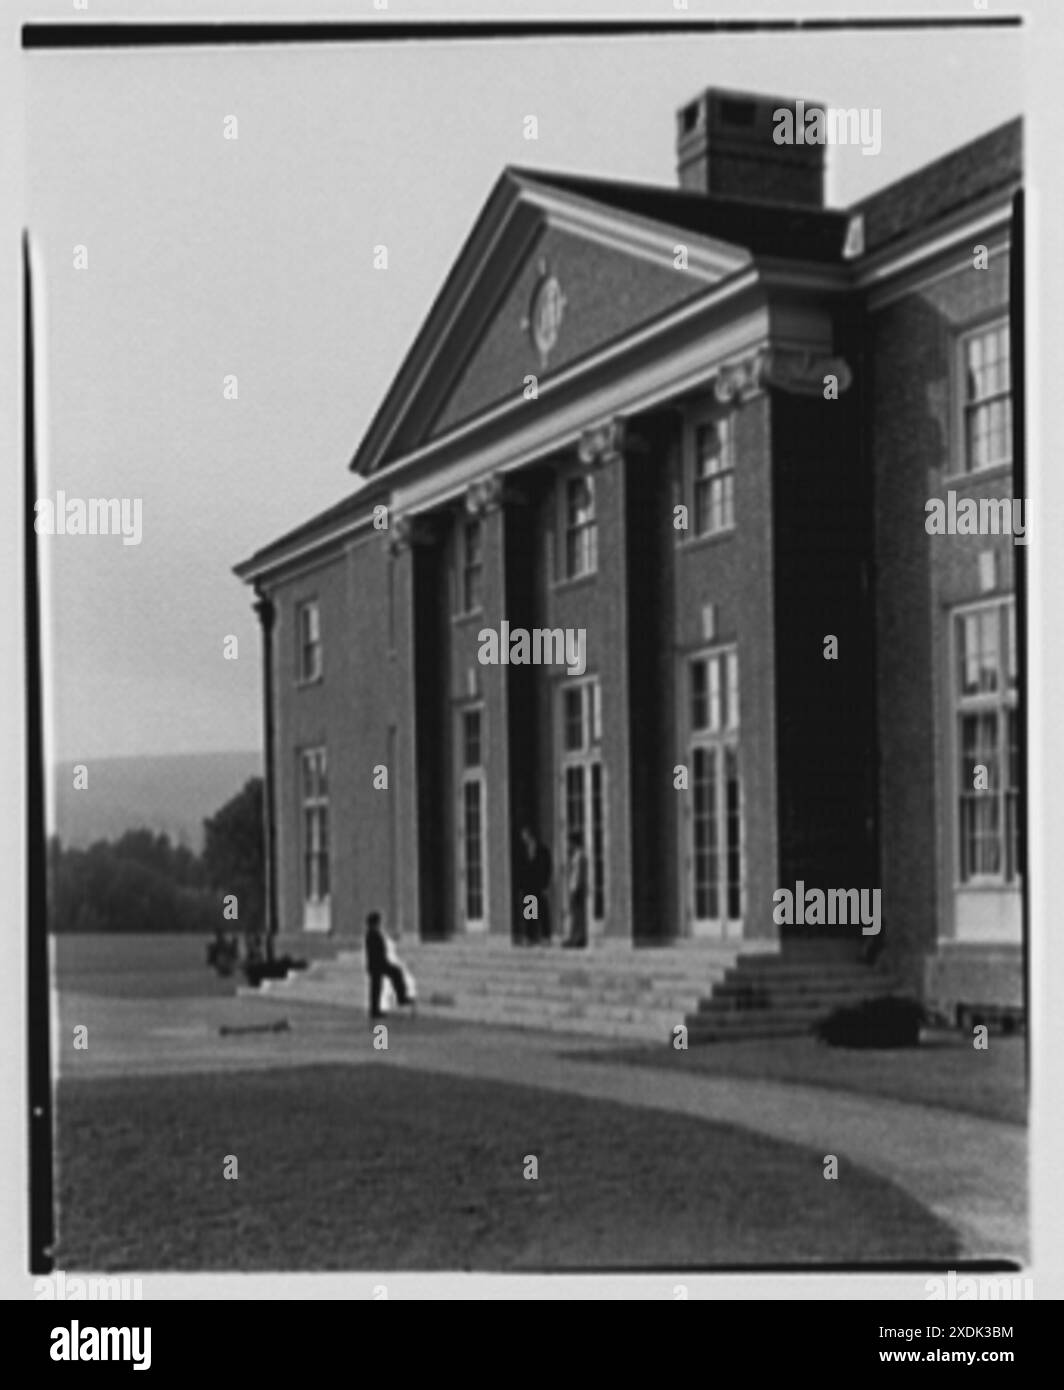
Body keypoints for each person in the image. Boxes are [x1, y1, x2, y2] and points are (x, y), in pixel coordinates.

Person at [364, 911, 414, 1020]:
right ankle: (401, 998)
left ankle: (375, 1010)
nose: (380, 923)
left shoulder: (372, 933)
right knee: (394, 974)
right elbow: (376, 952)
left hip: (376, 964)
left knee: (377, 987)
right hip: (378, 964)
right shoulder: (373, 934)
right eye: (379, 921)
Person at [517, 825, 553, 946]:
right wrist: (521, 886)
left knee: (542, 911)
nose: (523, 837)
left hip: (540, 885)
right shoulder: (523, 851)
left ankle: (545, 936)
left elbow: (547, 868)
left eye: (524, 834)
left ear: (530, 835)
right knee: (530, 912)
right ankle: (529, 936)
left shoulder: (543, 850)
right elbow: (521, 869)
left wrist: (546, 884)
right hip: (528, 886)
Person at [563, 832, 589, 949]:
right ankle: (576, 937)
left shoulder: (580, 856)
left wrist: (576, 888)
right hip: (574, 886)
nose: (568, 845)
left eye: (569, 842)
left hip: (576, 887)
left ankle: (576, 937)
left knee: (576, 914)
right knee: (575, 913)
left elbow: (579, 874)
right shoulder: (576, 855)